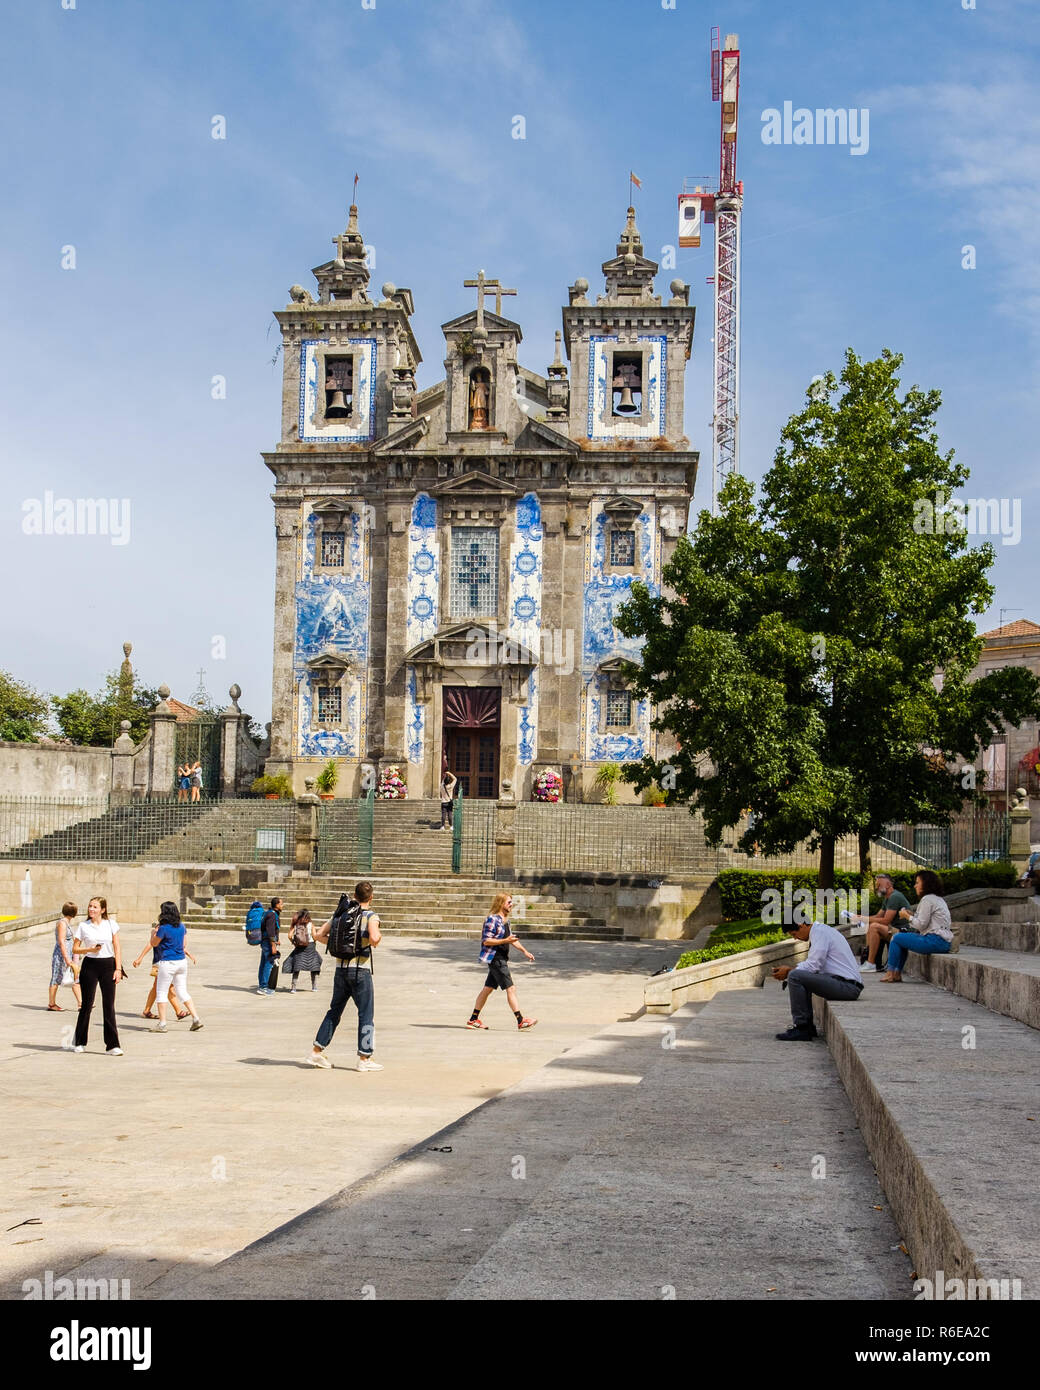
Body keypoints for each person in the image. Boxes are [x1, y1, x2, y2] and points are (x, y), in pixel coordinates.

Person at [307, 883, 383, 1071]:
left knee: (334, 1011)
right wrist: (373, 940)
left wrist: (338, 946)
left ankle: (316, 1052)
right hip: (360, 972)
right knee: (366, 1013)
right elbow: (374, 938)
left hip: (340, 970)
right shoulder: (371, 916)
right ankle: (364, 1059)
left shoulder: (340, 914)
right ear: (371, 897)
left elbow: (318, 935)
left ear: (354, 896)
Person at [771, 918, 863, 1041]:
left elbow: (814, 964)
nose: (795, 938)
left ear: (802, 924)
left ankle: (802, 1028)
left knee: (795, 976)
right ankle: (807, 1027)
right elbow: (813, 967)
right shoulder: (820, 931)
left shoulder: (820, 933)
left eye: (794, 934)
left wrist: (788, 972)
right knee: (799, 975)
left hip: (847, 987)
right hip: (841, 982)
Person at [466, 892, 537, 1031]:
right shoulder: (492, 919)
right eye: (509, 902)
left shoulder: (506, 921)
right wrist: (505, 941)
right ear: (501, 903)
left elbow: (511, 939)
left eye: (511, 902)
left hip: (501, 958)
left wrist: (525, 951)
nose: (511, 905)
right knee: (510, 988)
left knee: (488, 989)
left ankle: (473, 1019)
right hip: (495, 958)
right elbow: (486, 940)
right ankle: (521, 1021)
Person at [880, 870, 954, 983]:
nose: (915, 886)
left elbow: (920, 925)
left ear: (926, 884)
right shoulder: (938, 899)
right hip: (943, 942)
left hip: (934, 940)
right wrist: (912, 915)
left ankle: (891, 972)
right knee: (902, 940)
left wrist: (906, 916)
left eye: (917, 882)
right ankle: (896, 974)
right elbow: (925, 922)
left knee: (896, 938)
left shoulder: (927, 899)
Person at [71, 896, 123, 1055]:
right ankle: (80, 1042)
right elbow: (75, 949)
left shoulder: (111, 924)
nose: (91, 909)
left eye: (95, 907)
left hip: (108, 965)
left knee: (109, 1005)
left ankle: (112, 1045)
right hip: (90, 965)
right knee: (87, 1004)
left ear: (103, 909)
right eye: (90, 907)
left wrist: (118, 968)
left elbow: (117, 946)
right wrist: (90, 950)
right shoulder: (83, 926)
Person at [148, 902, 203, 1032]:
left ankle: (162, 1024)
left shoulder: (163, 928)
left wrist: (153, 934)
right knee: (182, 991)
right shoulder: (182, 927)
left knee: (161, 992)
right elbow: (184, 944)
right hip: (182, 962)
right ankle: (196, 1018)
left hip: (168, 963)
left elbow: (154, 943)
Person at [855, 874, 912, 974]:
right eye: (876, 885)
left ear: (888, 884)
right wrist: (861, 918)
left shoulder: (895, 897)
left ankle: (871, 964)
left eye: (879, 885)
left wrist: (864, 919)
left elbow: (886, 920)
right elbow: (877, 917)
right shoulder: (888, 898)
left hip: (904, 932)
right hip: (895, 930)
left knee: (874, 926)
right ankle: (869, 962)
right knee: (871, 925)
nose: (877, 887)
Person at [132, 927, 189, 1020]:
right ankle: (178, 1012)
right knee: (169, 987)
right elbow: (150, 944)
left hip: (165, 962)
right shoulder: (159, 930)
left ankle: (147, 1011)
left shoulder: (167, 929)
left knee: (157, 987)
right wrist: (140, 958)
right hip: (160, 963)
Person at [47, 901, 82, 1011]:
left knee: (75, 977)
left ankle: (81, 1003)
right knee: (56, 978)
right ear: (74, 913)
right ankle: (52, 1004)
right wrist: (67, 959)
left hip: (68, 955)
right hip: (61, 956)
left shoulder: (66, 923)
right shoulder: (62, 923)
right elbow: (61, 942)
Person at [284, 908, 322, 993]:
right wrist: (313, 941)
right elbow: (315, 936)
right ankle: (314, 987)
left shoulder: (296, 924)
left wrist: (294, 942)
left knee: (296, 967)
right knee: (314, 967)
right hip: (311, 946)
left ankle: (293, 988)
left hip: (299, 947)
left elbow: (289, 935)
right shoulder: (311, 924)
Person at [257, 897, 281, 995]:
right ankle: (264, 987)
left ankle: (262, 985)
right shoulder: (272, 915)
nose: (282, 906)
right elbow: (271, 931)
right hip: (268, 942)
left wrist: (277, 940)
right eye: (281, 904)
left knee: (263, 963)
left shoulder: (268, 913)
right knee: (269, 963)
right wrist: (273, 945)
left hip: (265, 941)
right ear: (276, 905)